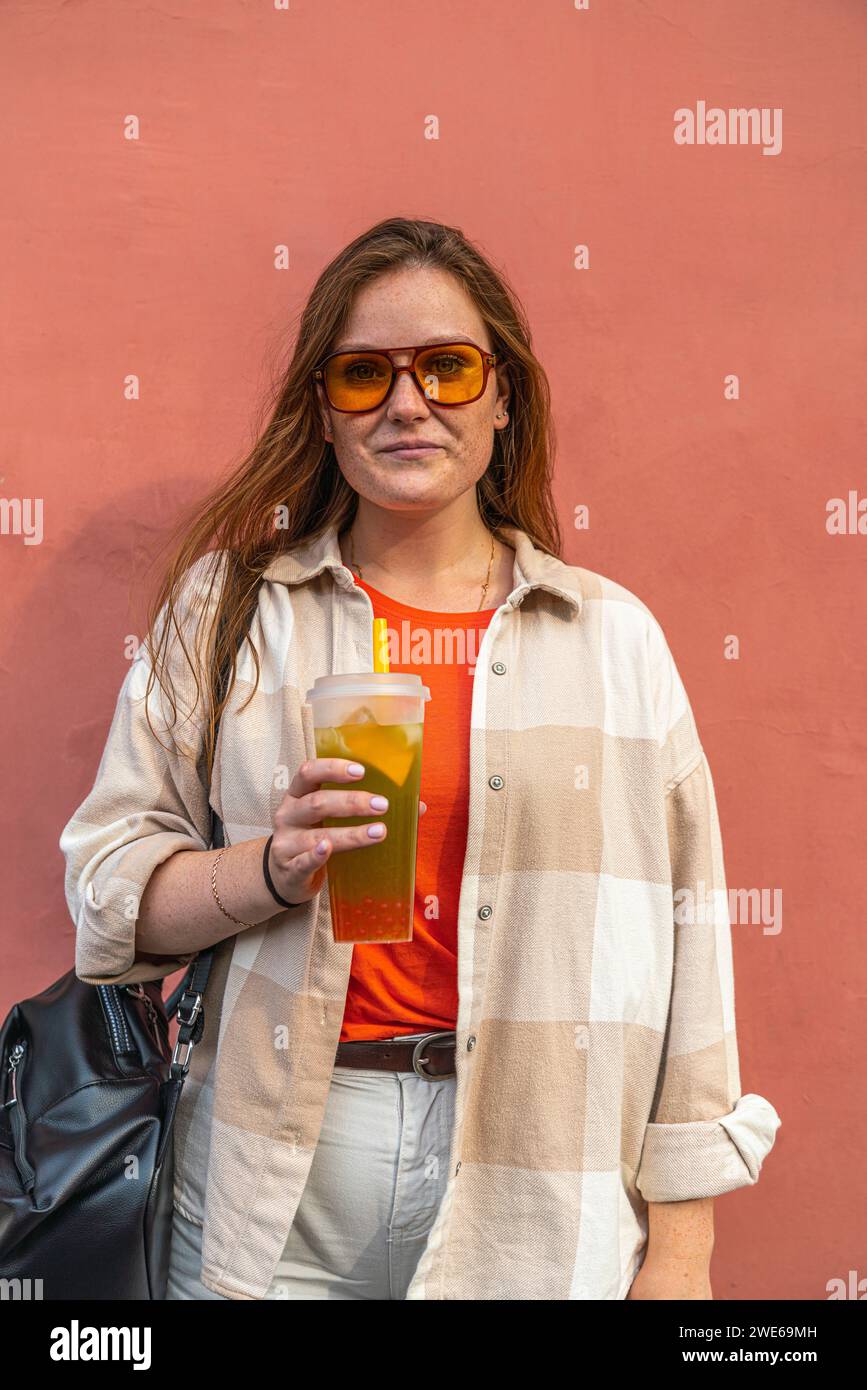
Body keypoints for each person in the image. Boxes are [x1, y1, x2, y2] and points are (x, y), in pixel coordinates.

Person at [60, 215, 781, 1301]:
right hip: (271, 1184)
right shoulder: (232, 612)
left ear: (504, 397)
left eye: (446, 367)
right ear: (324, 407)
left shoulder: (611, 639)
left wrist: (682, 1246)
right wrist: (267, 868)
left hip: (536, 1180)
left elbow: (688, 947)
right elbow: (106, 893)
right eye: (363, 375)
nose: (408, 404)